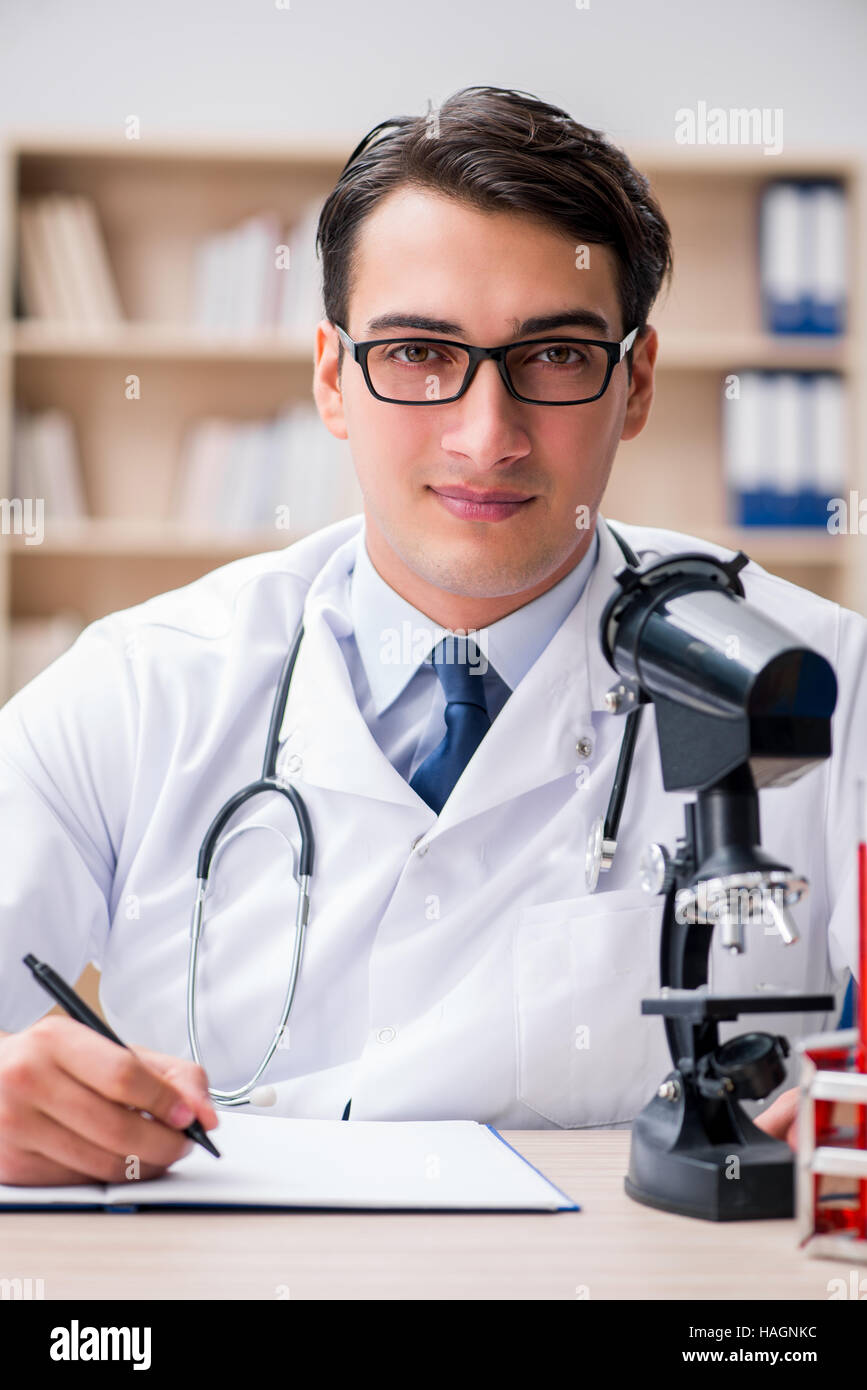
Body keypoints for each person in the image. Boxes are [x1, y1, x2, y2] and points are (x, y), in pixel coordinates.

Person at [0, 86, 858, 1186]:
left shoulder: (816, 675)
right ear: (332, 377)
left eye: (553, 355)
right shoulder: (138, 686)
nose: (485, 435)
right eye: (416, 352)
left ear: (635, 382)